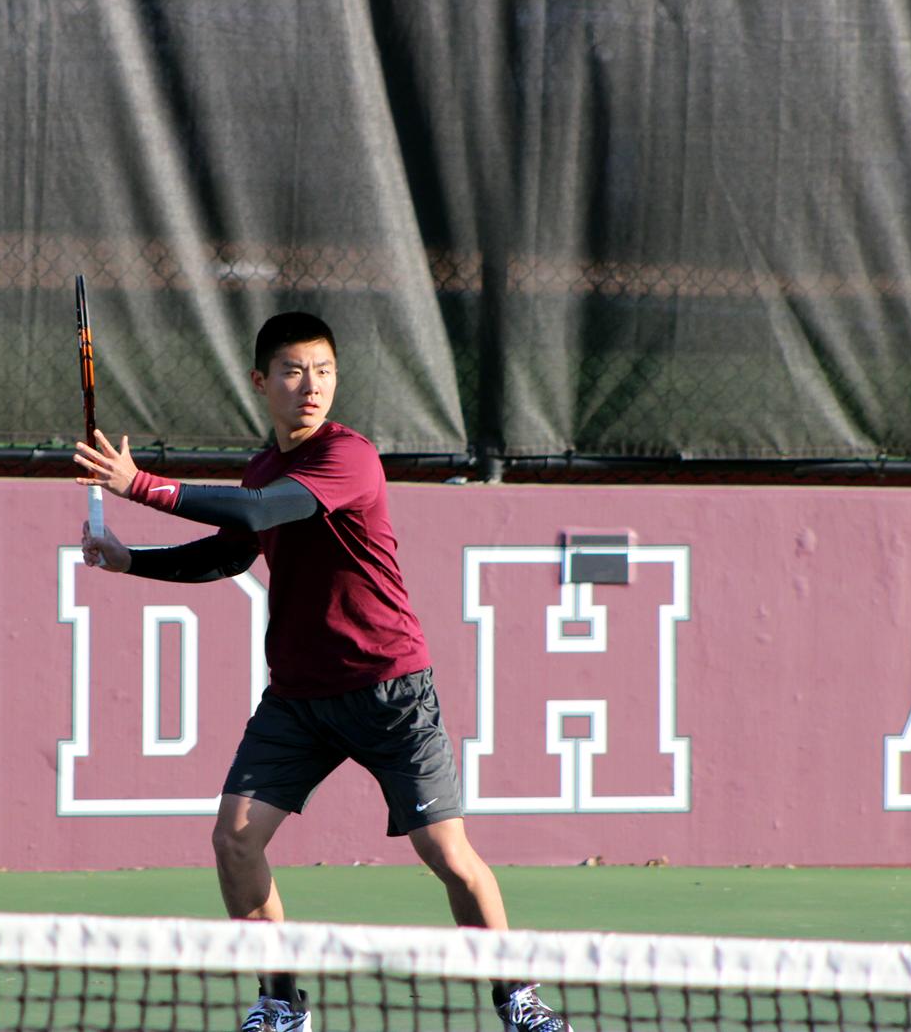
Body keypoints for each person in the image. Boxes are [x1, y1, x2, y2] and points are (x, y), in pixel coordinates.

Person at [74, 312, 571, 1032]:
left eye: (324, 372)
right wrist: (132, 560)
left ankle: (518, 998)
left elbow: (266, 508)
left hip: (389, 689)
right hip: (299, 699)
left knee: (448, 853)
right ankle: (281, 1004)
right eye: (293, 371)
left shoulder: (349, 457)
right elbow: (231, 551)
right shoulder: (262, 464)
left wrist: (142, 485)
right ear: (261, 381)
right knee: (234, 839)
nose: (311, 387)